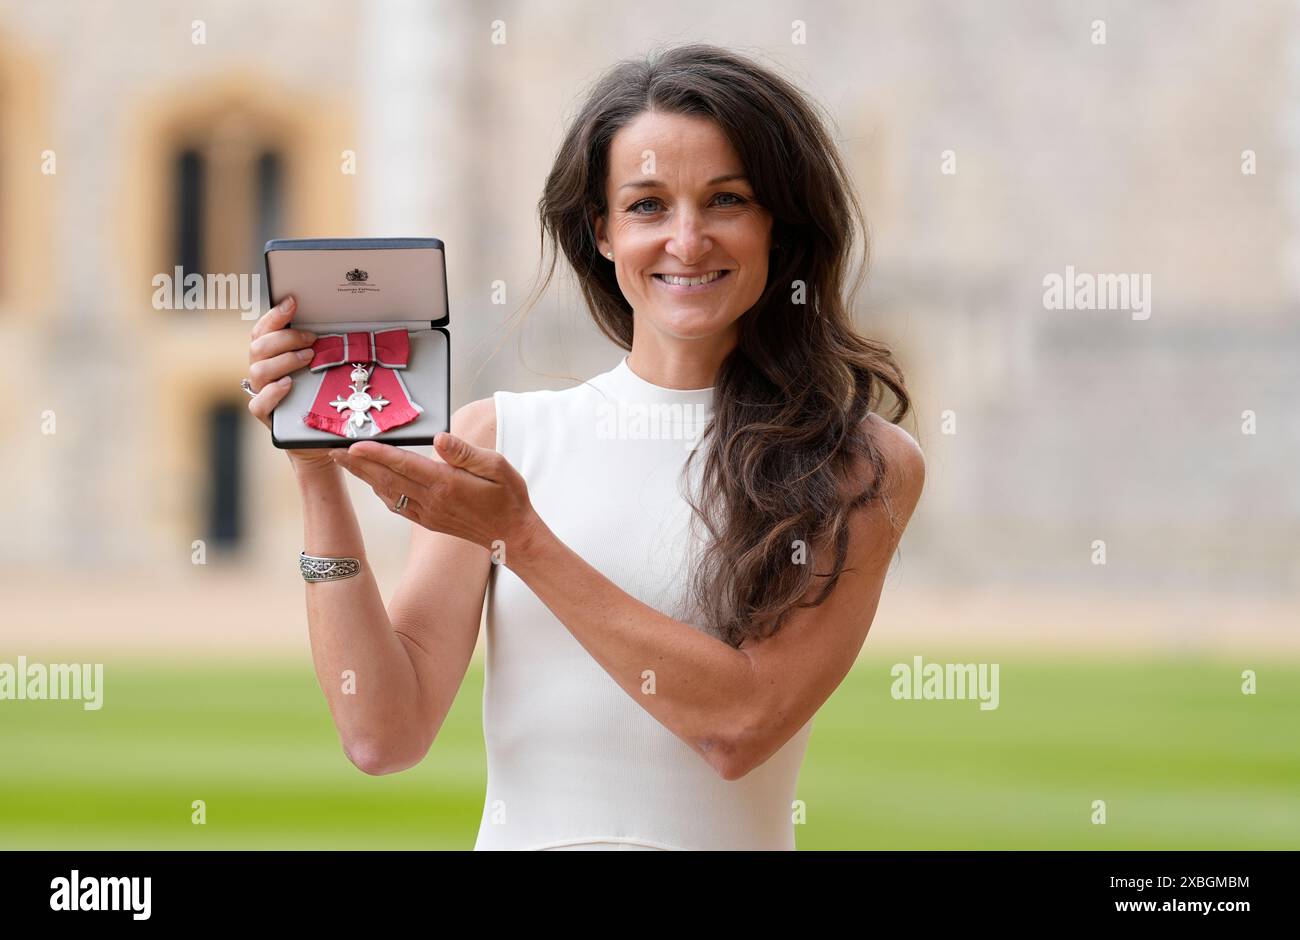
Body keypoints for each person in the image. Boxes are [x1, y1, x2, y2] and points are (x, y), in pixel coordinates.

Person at [243, 42, 924, 851]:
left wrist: (520, 539)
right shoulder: (500, 439)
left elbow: (739, 727)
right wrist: (316, 475)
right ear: (601, 232)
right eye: (646, 206)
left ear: (780, 224)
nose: (687, 238)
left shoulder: (859, 463)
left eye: (726, 200)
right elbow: (381, 736)